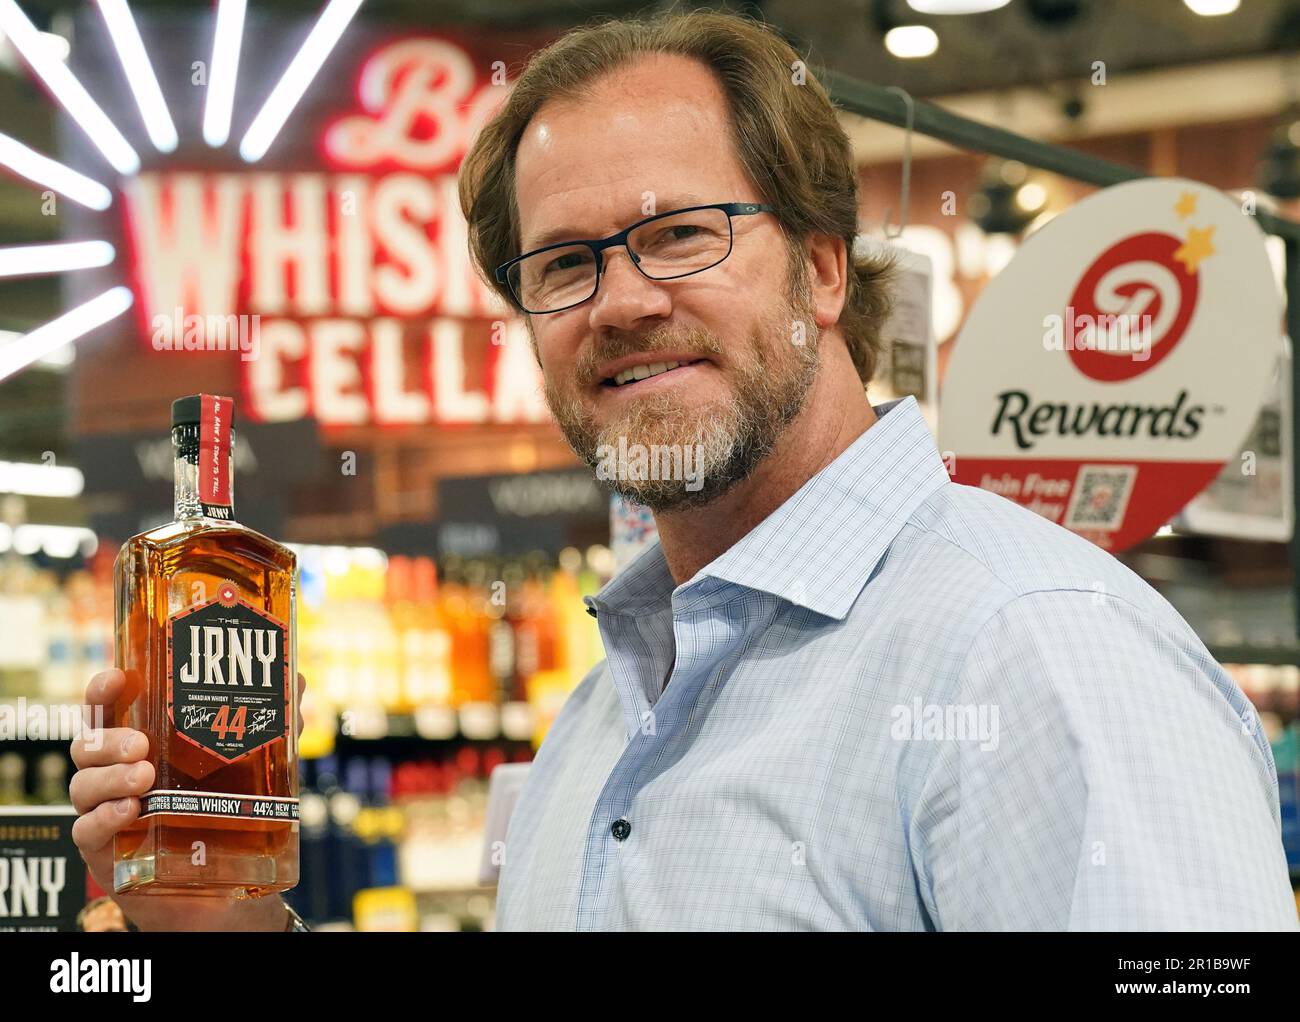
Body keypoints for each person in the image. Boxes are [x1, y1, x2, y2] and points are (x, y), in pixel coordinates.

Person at [455, 9, 1298, 929]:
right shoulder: (599, 721)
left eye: (682, 235)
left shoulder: (1032, 654)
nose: (620, 302)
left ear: (822, 268)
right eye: (562, 264)